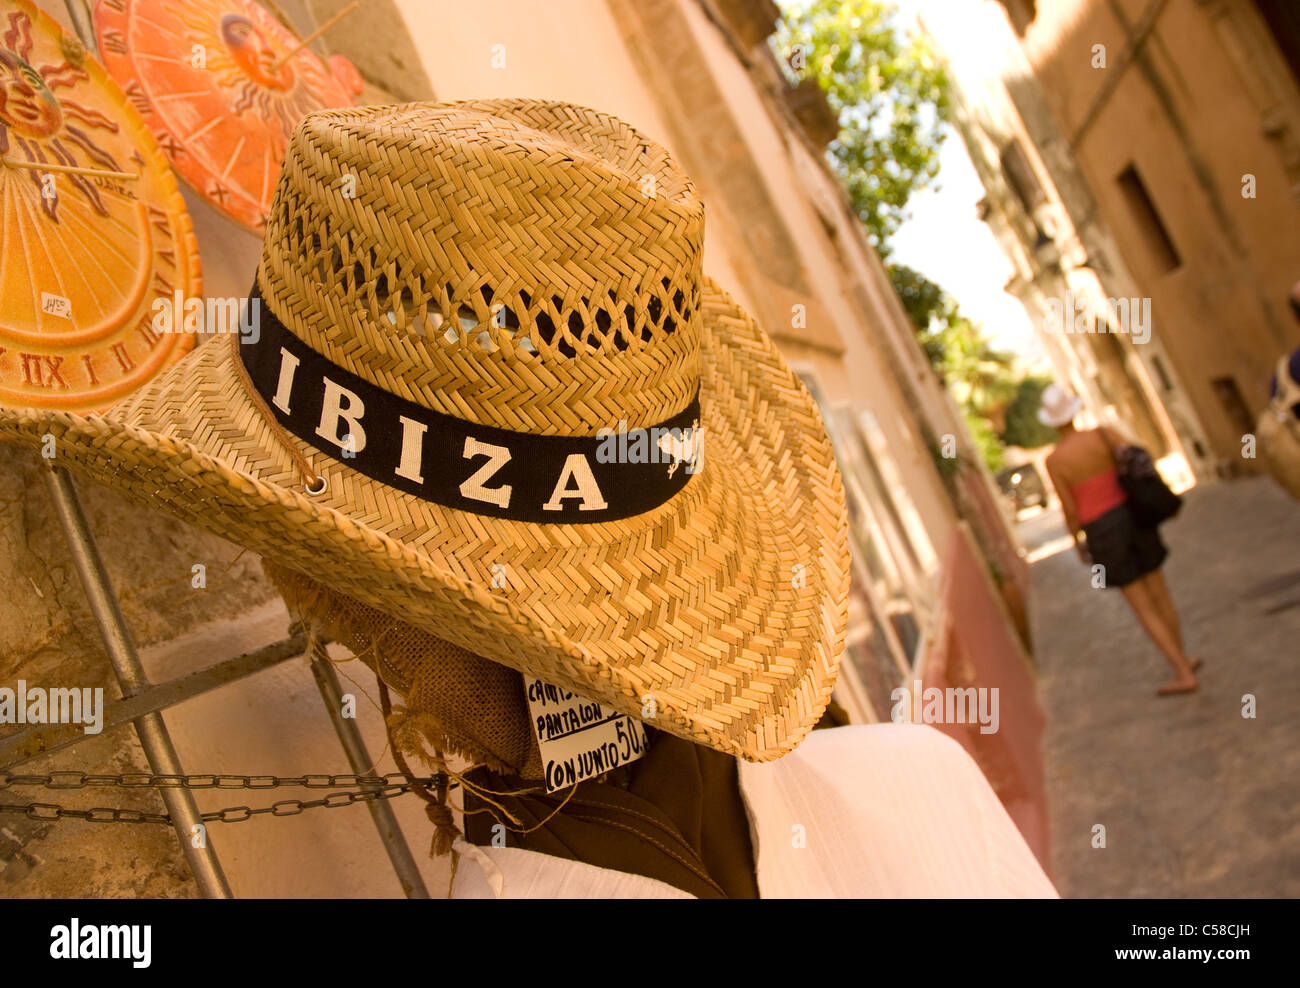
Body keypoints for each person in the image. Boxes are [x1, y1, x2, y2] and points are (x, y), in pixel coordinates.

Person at [1039, 385, 1200, 696]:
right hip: (1134, 516)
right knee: (1160, 594)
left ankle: (1181, 671)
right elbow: (1138, 460)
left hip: (1103, 532)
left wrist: (1076, 541)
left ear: (1051, 422)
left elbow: (1070, 509)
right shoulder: (1103, 435)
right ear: (1073, 412)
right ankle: (1184, 658)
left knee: (1142, 606)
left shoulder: (1055, 461)